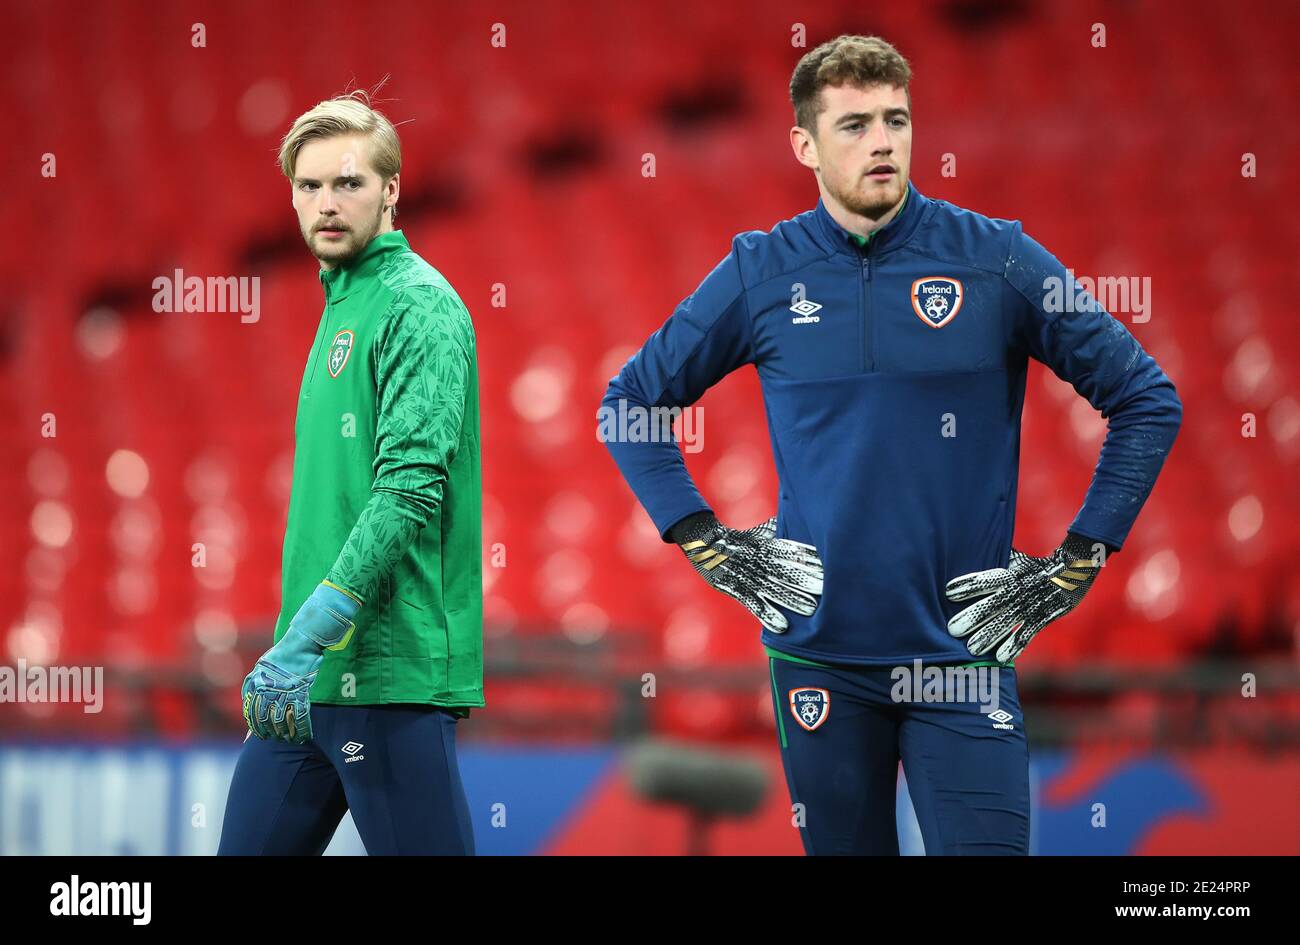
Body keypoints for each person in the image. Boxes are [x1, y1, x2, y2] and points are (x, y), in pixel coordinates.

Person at [600, 35, 1181, 855]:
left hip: (962, 658)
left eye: (897, 120)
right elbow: (629, 401)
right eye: (855, 124)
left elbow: (1147, 399)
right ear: (803, 143)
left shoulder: (998, 259)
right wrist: (705, 540)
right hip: (820, 662)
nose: (882, 141)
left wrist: (1078, 559)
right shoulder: (760, 271)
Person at [219, 89, 482, 855]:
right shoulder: (343, 303)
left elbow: (408, 490)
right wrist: (298, 652)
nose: (326, 204)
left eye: (349, 182)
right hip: (307, 686)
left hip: (385, 673)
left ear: (392, 188)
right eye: (309, 186)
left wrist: (307, 634)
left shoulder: (418, 306)